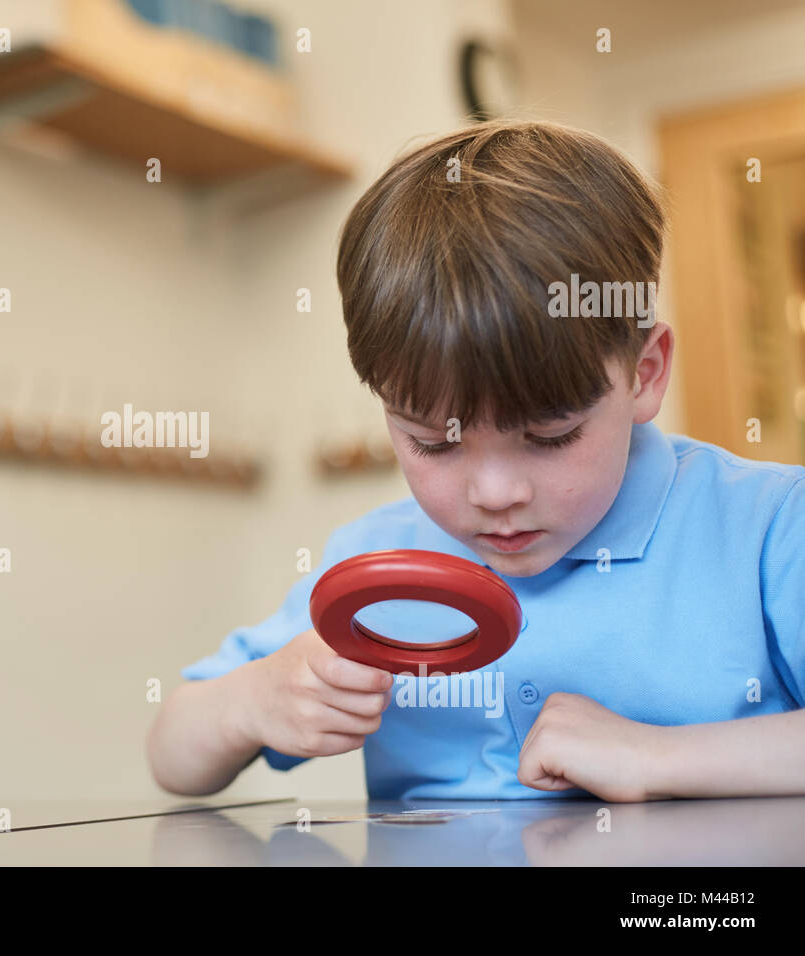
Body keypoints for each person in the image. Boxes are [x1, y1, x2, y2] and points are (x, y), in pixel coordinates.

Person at [146, 120, 805, 802]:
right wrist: (250, 702)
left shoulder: (768, 528)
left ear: (644, 373)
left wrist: (659, 757)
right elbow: (171, 756)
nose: (494, 493)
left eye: (550, 437)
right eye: (434, 443)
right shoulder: (373, 564)